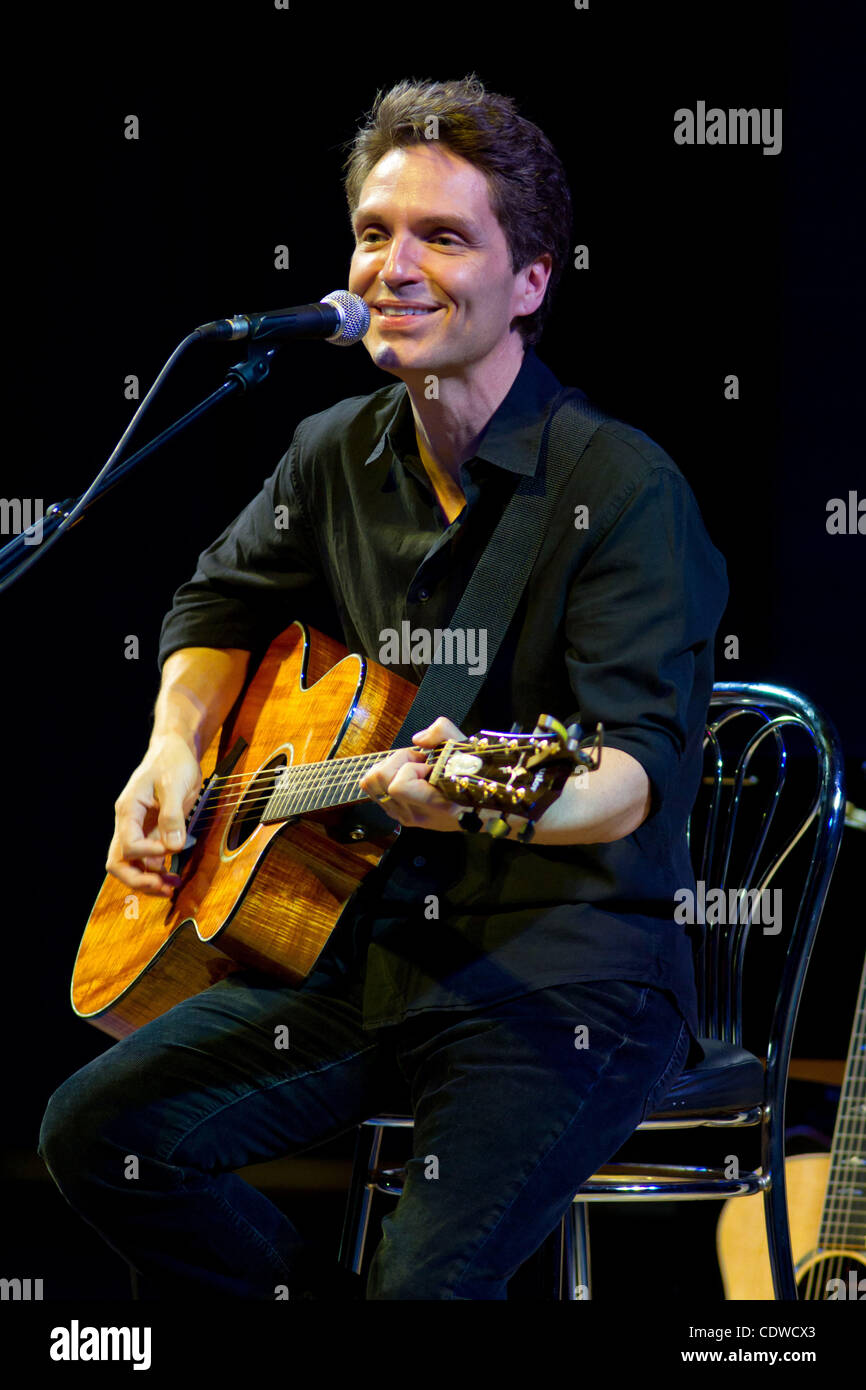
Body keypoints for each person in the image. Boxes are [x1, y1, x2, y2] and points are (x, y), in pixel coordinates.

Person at [38, 75, 729, 1300]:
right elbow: (213, 603)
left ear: (530, 281)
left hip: (561, 975)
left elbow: (623, 777)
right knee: (97, 1136)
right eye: (372, 233)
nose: (390, 268)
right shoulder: (336, 451)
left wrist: (478, 799)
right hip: (366, 956)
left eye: (441, 237)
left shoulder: (621, 490)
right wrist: (174, 749)